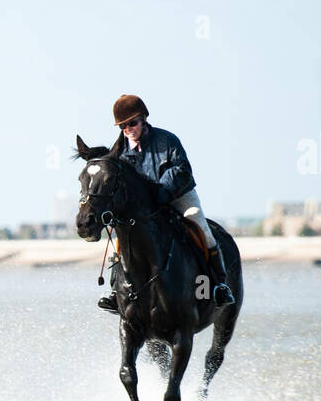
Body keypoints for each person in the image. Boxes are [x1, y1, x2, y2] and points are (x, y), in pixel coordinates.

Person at [97, 95, 236, 311]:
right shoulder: (120, 151)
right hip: (144, 206)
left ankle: (218, 285)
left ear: (143, 119)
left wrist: (158, 192)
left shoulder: (167, 140)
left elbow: (182, 172)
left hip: (178, 194)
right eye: (123, 126)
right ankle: (117, 291)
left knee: (199, 225)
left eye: (132, 123)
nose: (128, 129)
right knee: (122, 237)